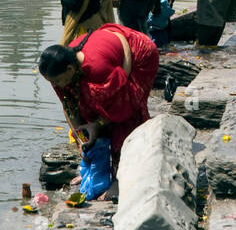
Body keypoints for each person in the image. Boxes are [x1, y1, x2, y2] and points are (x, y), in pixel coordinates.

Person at [38, 22, 159, 197]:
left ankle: (121, 179)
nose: (55, 86)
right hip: (112, 54)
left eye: (56, 82)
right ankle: (95, 170)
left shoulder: (97, 68)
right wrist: (81, 140)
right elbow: (69, 106)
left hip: (139, 54)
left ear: (70, 70)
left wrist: (98, 123)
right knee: (87, 108)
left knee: (125, 116)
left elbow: (120, 105)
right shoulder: (59, 71)